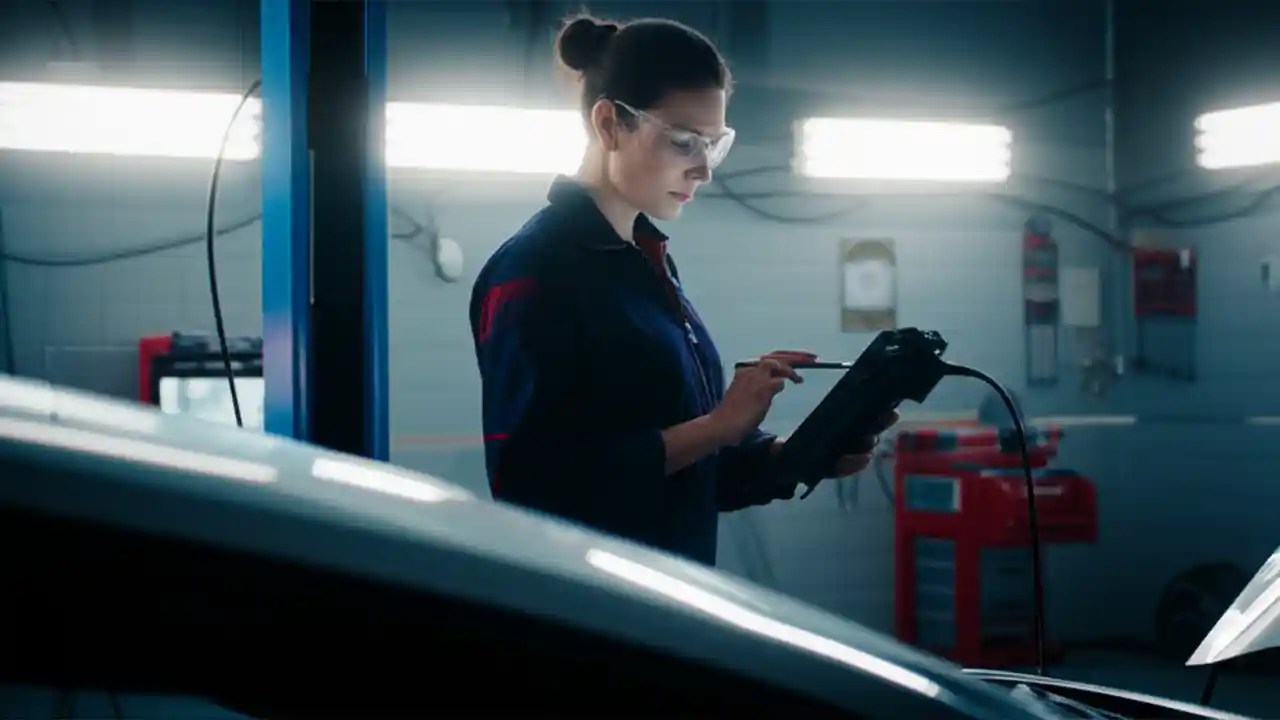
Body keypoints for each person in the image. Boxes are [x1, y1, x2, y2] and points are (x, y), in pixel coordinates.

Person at [469, 13, 897, 565]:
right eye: (683, 142)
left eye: (713, 145)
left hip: (668, 609)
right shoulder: (534, 271)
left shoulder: (647, 265)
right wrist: (717, 426)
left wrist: (793, 456)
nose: (704, 171)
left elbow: (683, 481)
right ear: (609, 125)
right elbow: (532, 485)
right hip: (591, 620)